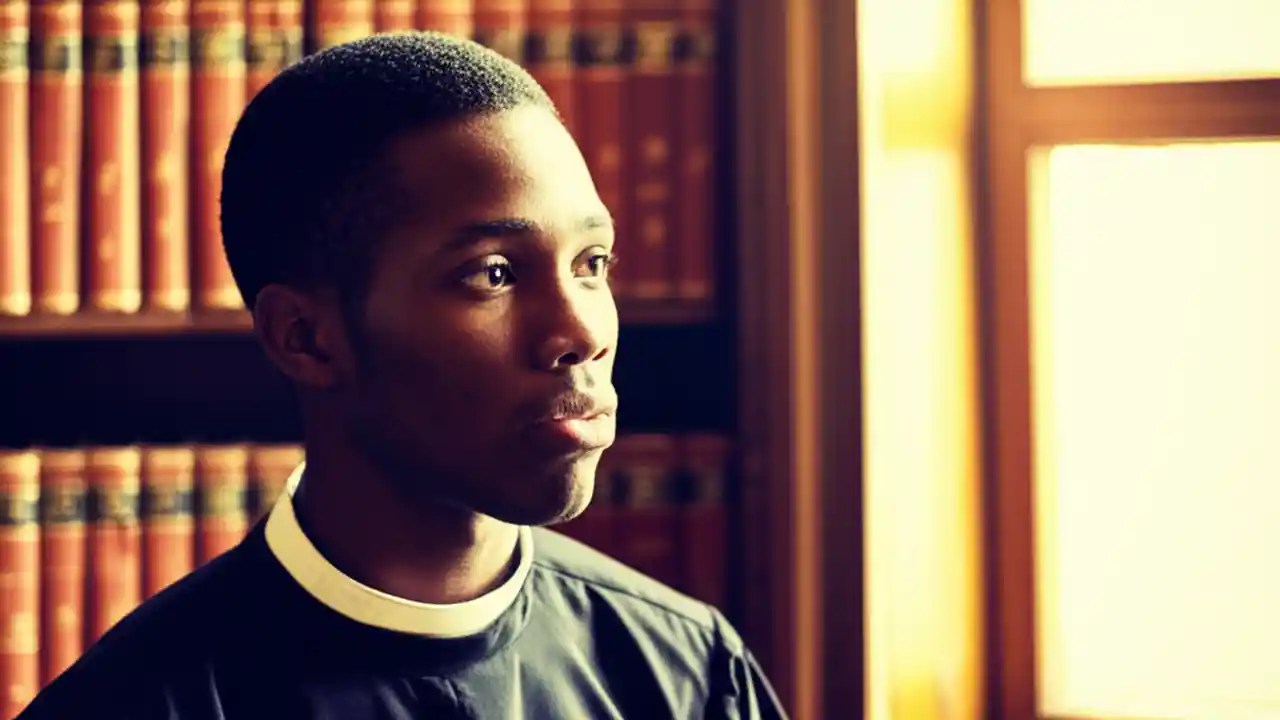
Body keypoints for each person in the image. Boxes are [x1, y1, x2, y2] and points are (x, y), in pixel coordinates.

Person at [18, 32, 786, 719]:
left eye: (592, 264)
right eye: (492, 274)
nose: (581, 333)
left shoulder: (689, 673)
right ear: (307, 339)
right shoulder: (139, 702)